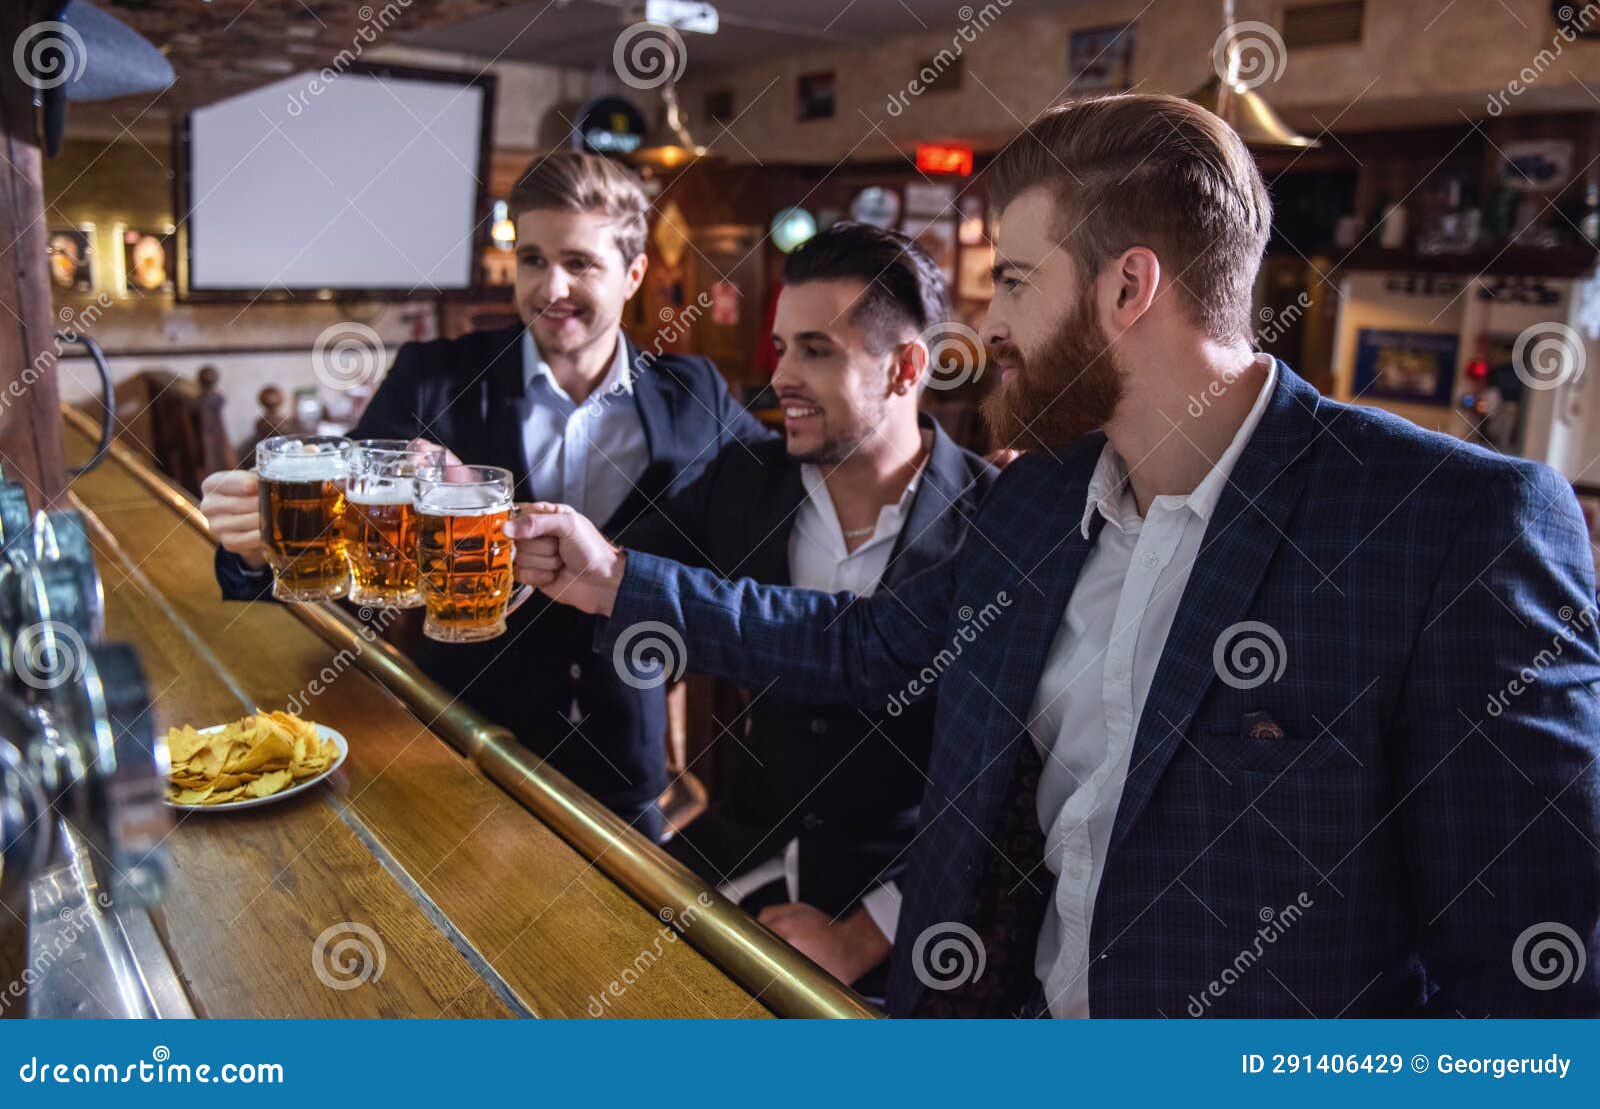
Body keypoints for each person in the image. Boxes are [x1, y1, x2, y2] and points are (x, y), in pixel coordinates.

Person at [506, 94, 1600, 1017]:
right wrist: (614, 576)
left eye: (1017, 281)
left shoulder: (1452, 528)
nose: (988, 323)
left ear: (1129, 289)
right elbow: (869, 645)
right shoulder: (1037, 497)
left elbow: (1536, 977)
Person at [199, 151, 770, 838]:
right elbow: (355, 566)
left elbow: (772, 526)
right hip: (456, 741)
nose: (550, 286)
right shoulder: (435, 378)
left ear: (635, 274)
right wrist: (260, 552)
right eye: (532, 260)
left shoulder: (694, 392)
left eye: (579, 263)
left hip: (623, 767)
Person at [619, 222, 996, 992]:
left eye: (816, 351)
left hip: (913, 901)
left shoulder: (994, 521)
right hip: (738, 853)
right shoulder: (742, 481)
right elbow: (613, 566)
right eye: (782, 347)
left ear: (906, 368)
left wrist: (868, 933)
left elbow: (1011, 787)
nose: (779, 374)